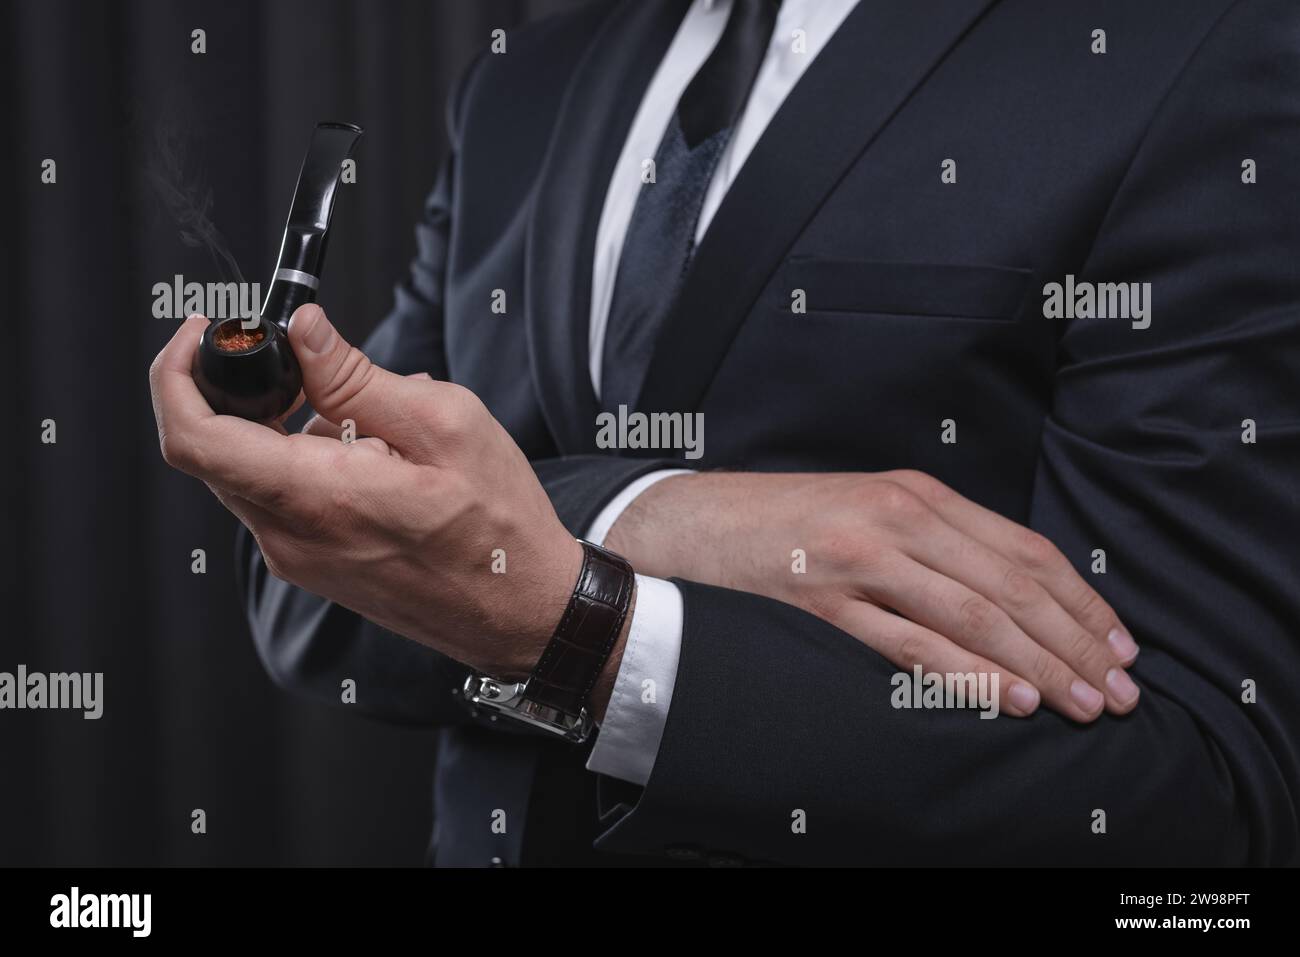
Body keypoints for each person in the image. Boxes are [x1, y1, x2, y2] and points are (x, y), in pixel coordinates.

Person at [150, 0, 1300, 865]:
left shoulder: (1191, 53)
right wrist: (665, 522)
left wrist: (594, 627)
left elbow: (1204, 789)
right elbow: (304, 590)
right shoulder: (530, 79)